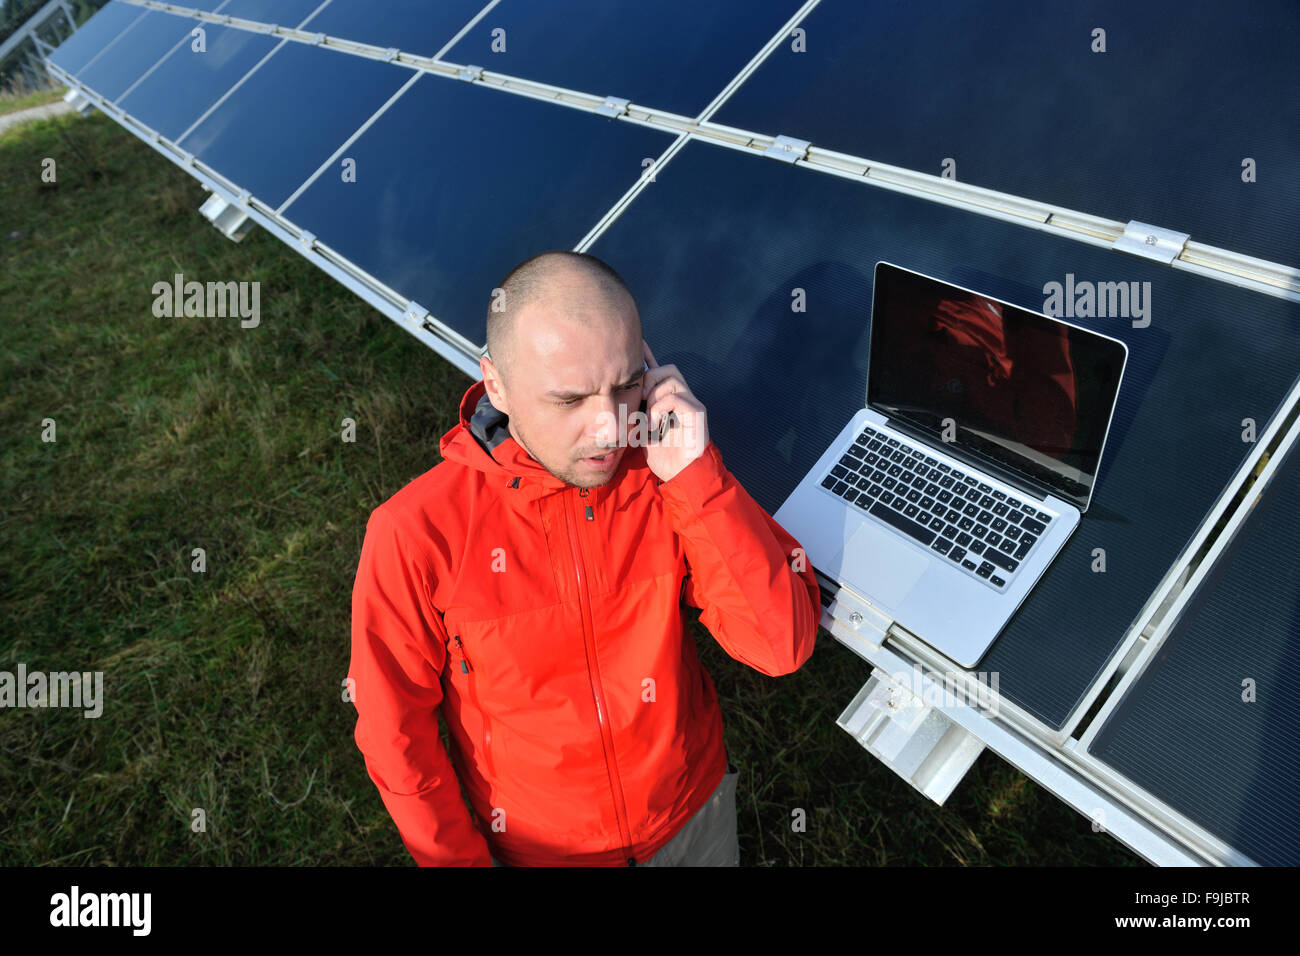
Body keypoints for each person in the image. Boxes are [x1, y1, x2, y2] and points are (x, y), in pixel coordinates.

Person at [347, 250, 820, 866]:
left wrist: (697, 480)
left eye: (625, 385)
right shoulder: (414, 534)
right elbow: (394, 734)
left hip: (691, 818)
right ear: (496, 385)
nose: (608, 427)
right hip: (542, 851)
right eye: (569, 399)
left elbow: (781, 646)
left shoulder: (665, 474)